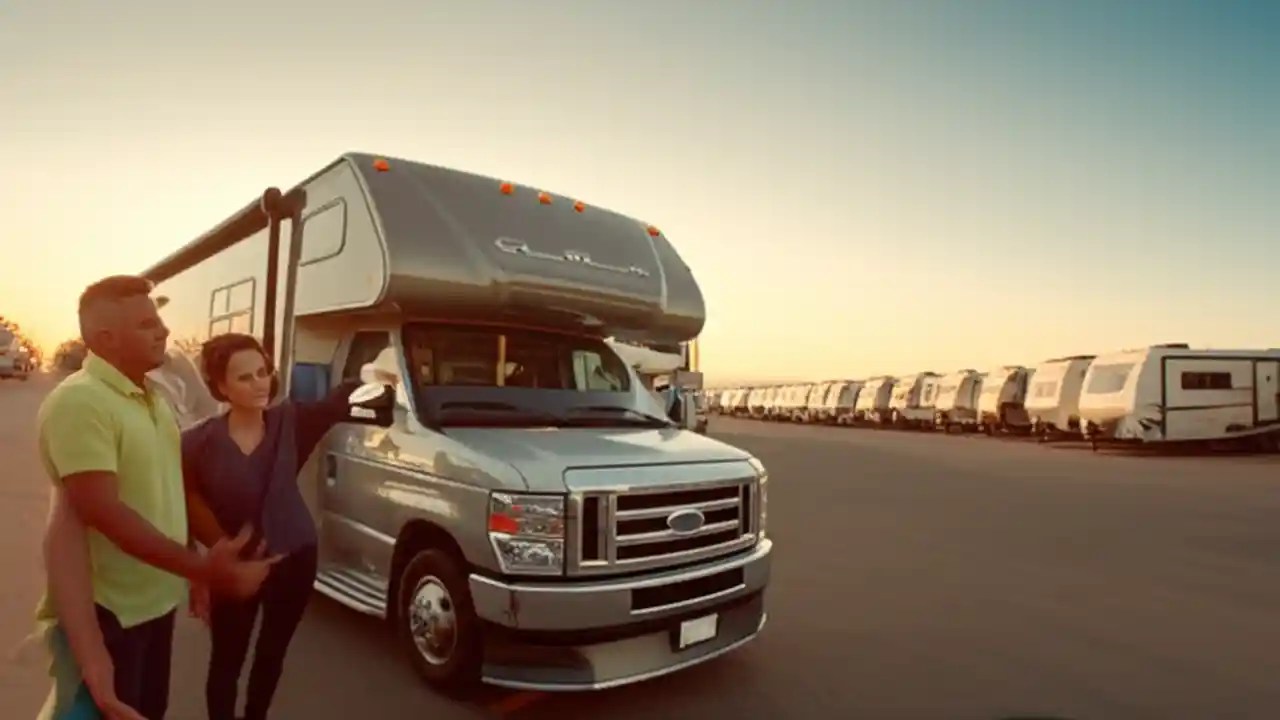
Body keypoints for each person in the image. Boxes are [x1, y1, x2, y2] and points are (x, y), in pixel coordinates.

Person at [36, 276, 281, 720]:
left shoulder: (151, 400)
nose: (163, 332)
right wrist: (204, 567)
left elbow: (166, 491)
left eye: (160, 322)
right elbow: (104, 513)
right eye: (147, 324)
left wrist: (192, 568)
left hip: (152, 603)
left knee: (149, 710)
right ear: (105, 338)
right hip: (108, 612)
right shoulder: (81, 403)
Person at [181, 332, 383, 720]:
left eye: (263, 372)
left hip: (296, 557)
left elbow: (341, 398)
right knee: (226, 660)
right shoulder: (196, 443)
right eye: (244, 377)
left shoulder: (294, 421)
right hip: (237, 568)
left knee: (272, 654)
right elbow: (186, 505)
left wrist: (377, 376)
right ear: (220, 386)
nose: (260, 383)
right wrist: (202, 569)